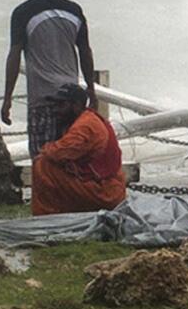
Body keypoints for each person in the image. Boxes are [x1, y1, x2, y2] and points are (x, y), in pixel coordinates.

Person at [0, 0, 98, 160]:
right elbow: (85, 52)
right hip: (73, 102)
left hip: (42, 101)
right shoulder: (74, 11)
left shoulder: (22, 12)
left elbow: (14, 55)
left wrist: (7, 98)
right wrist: (91, 90)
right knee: (73, 161)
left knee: (43, 161)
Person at [29, 83, 128, 215]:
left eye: (61, 105)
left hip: (105, 192)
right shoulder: (89, 119)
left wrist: (46, 148)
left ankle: (47, 216)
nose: (56, 110)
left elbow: (57, 152)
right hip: (108, 187)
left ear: (76, 105)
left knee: (42, 165)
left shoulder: (84, 126)